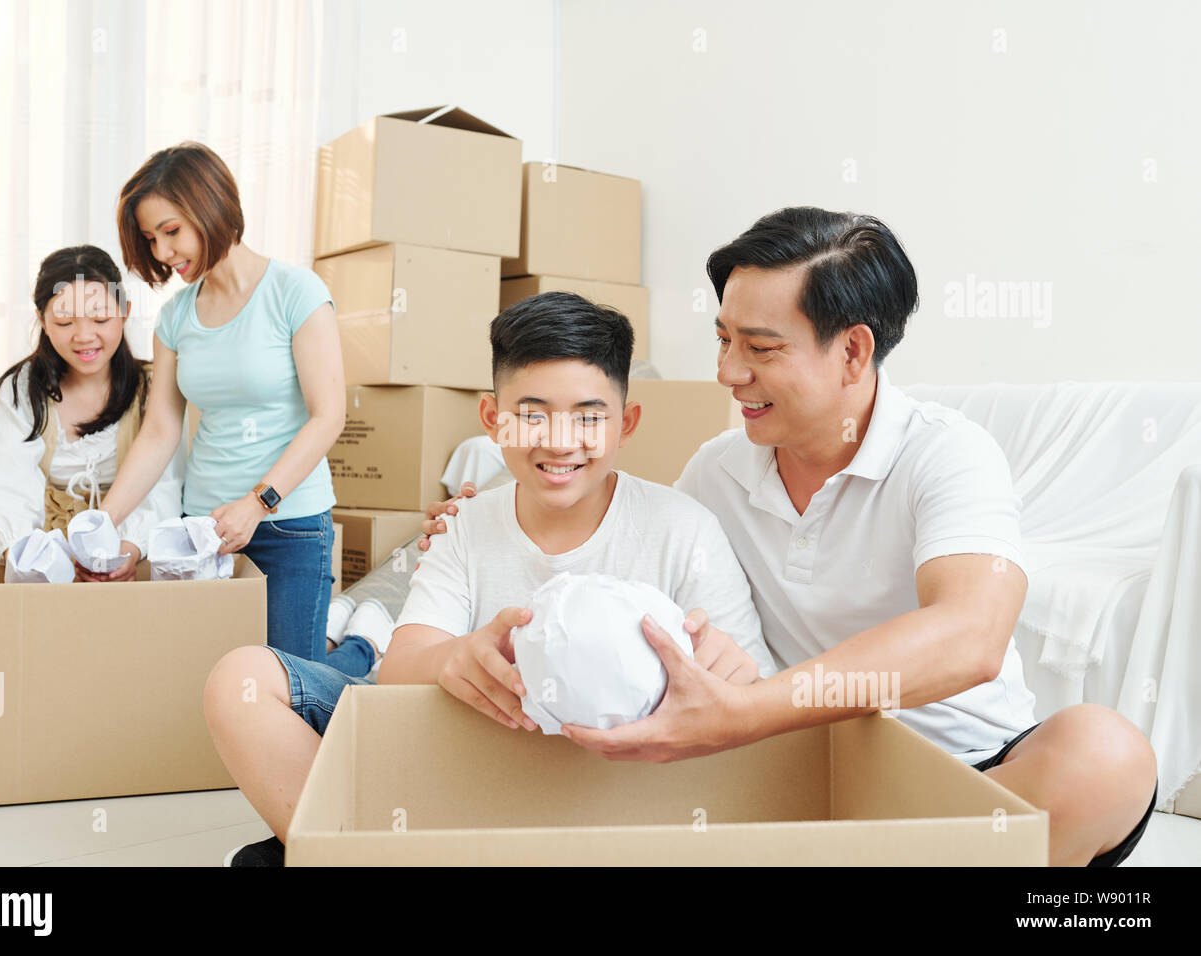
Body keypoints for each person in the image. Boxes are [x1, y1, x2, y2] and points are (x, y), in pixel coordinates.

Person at [420, 207, 1159, 867]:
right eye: (722, 340)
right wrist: (482, 522)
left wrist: (746, 712)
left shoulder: (947, 455)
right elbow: (648, 581)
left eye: (761, 348)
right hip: (802, 775)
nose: (726, 372)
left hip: (971, 768)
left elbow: (971, 636)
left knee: (1106, 755)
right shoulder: (715, 472)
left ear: (853, 352)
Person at [203, 292, 775, 865]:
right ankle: (349, 851)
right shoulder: (468, 524)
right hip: (472, 765)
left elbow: (748, 690)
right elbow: (401, 669)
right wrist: (460, 657)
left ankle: (331, 848)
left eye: (588, 416)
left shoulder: (683, 529)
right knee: (240, 679)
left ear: (625, 424)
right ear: (492, 420)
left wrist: (722, 676)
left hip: (611, 784)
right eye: (531, 414)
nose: (558, 440)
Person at [98, 142, 354, 665]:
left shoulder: (295, 292)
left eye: (171, 231)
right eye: (152, 239)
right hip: (203, 528)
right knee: (204, 685)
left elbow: (329, 416)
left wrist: (257, 504)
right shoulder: (175, 318)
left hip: (290, 522)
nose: (164, 253)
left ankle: (361, 647)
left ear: (211, 205)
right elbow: (160, 431)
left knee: (291, 690)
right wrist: (103, 521)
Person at [0, 245, 183, 579]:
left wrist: (130, 547)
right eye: (65, 321)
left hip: (130, 558)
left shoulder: (152, 388)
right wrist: (38, 561)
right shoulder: (23, 390)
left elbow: (165, 484)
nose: (84, 336)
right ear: (42, 320)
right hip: (44, 561)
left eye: (100, 318)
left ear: (125, 312)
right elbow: (1, 485)